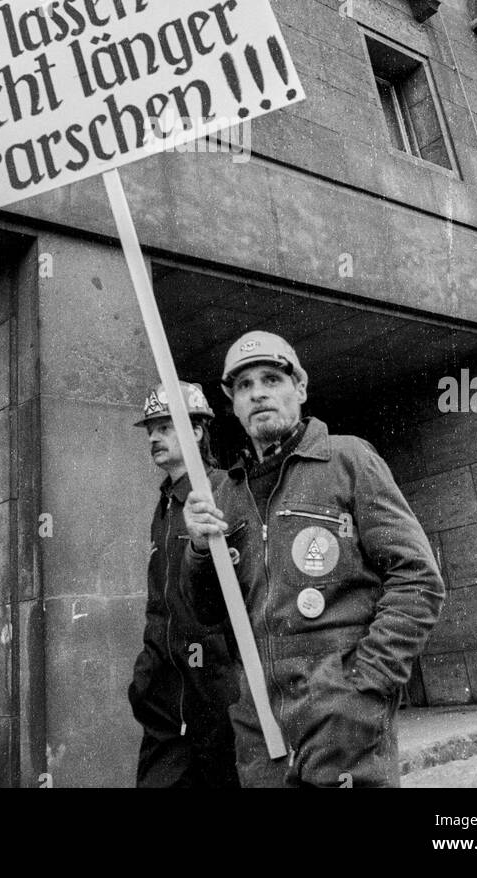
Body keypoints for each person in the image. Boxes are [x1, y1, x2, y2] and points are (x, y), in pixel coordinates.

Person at [181, 331, 446, 789]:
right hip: (260, 725)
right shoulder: (223, 493)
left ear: (299, 389)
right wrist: (199, 548)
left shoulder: (347, 459)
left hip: (343, 714)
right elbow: (207, 613)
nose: (258, 393)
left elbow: (419, 580)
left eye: (270, 379)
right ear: (234, 403)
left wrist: (364, 685)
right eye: (243, 386)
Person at [128, 380, 240, 788]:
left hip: (213, 693)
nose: (154, 437)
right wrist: (147, 674)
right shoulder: (165, 505)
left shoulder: (226, 492)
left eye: (165, 426)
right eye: (151, 429)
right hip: (163, 694)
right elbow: (161, 601)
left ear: (195, 430)